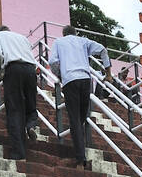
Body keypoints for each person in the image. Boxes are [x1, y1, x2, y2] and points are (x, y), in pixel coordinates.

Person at [48, 27, 113, 167]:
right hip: (85, 80)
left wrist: (60, 75)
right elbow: (102, 50)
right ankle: (80, 151)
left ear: (63, 34)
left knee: (75, 120)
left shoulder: (59, 42)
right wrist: (108, 74)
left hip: (70, 80)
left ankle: (80, 158)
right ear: (75, 33)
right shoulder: (83, 41)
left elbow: (52, 61)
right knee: (82, 118)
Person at [0, 26, 39, 161]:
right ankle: (31, 125)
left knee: (14, 110)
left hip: (13, 69)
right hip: (30, 69)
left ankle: (19, 153)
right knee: (31, 105)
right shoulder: (22, 37)